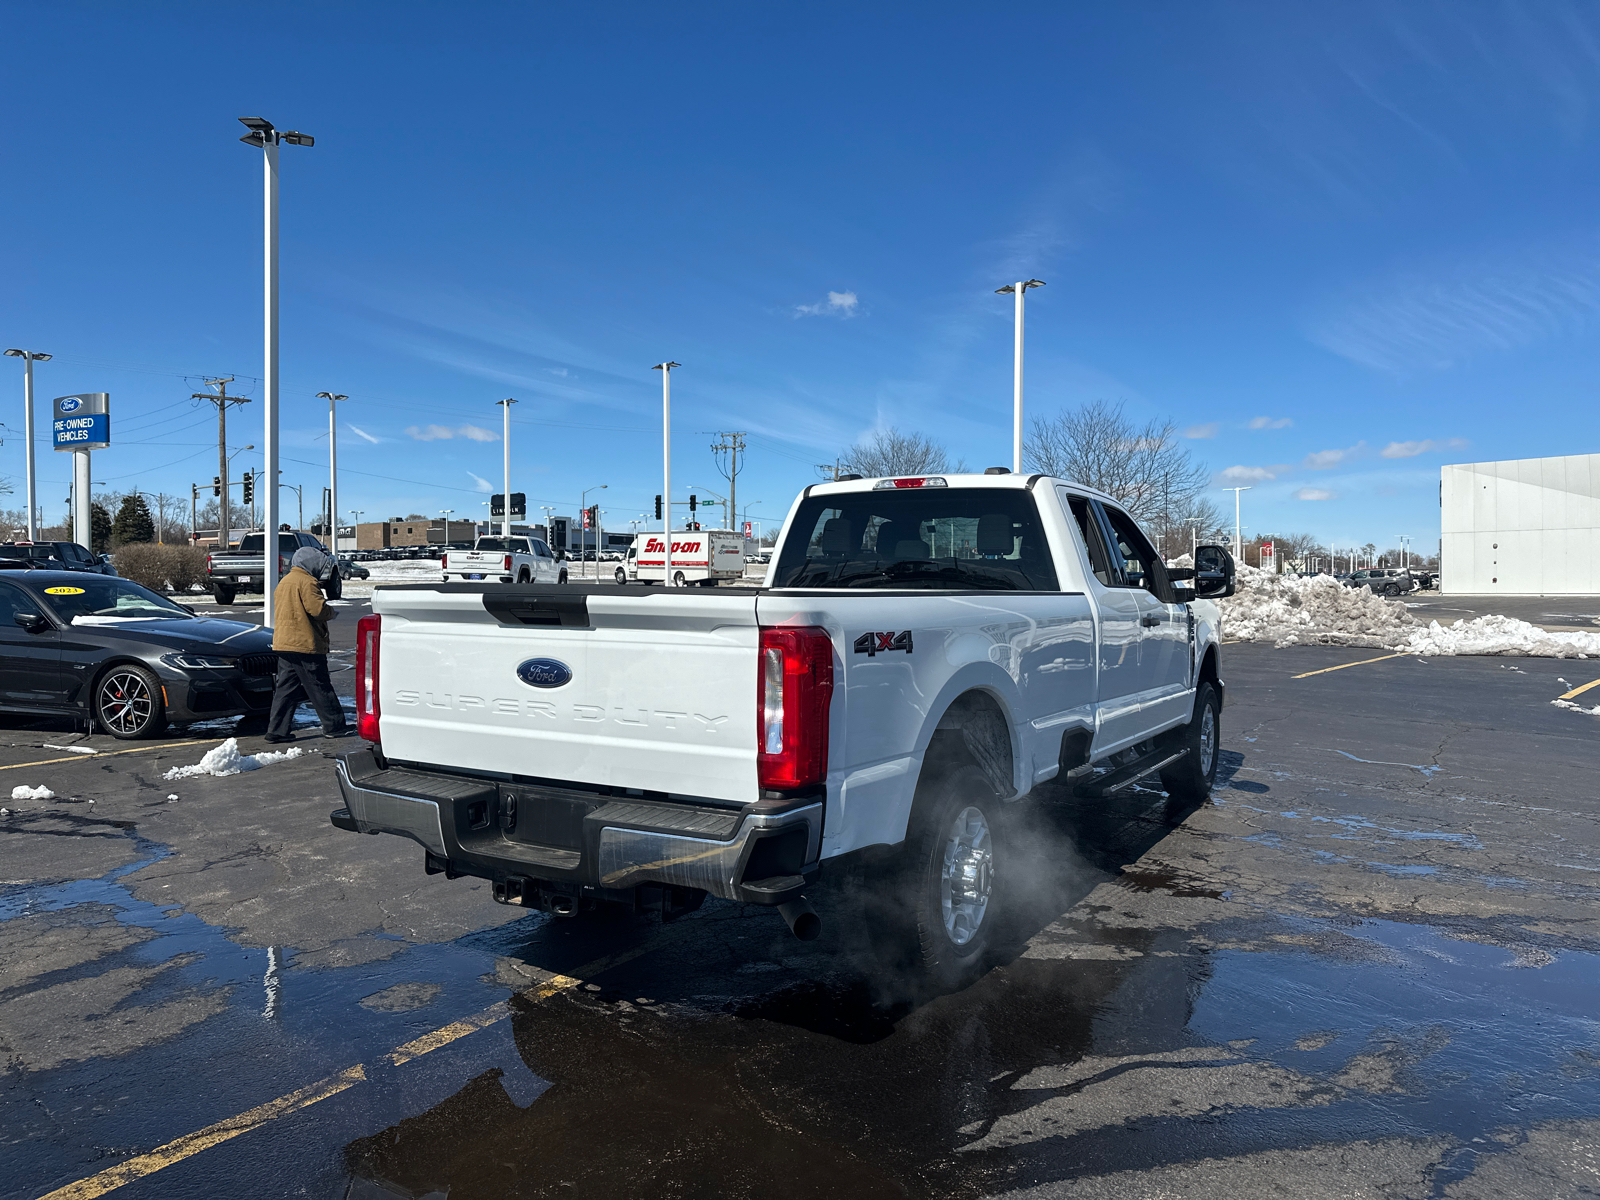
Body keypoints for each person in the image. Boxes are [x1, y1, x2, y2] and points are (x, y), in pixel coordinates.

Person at [265, 547, 352, 742]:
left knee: (285, 689)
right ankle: (334, 726)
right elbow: (317, 610)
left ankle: (276, 730)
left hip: (284, 644)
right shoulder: (307, 582)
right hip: (305, 644)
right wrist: (332, 612)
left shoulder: (285, 582)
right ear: (312, 564)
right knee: (320, 685)